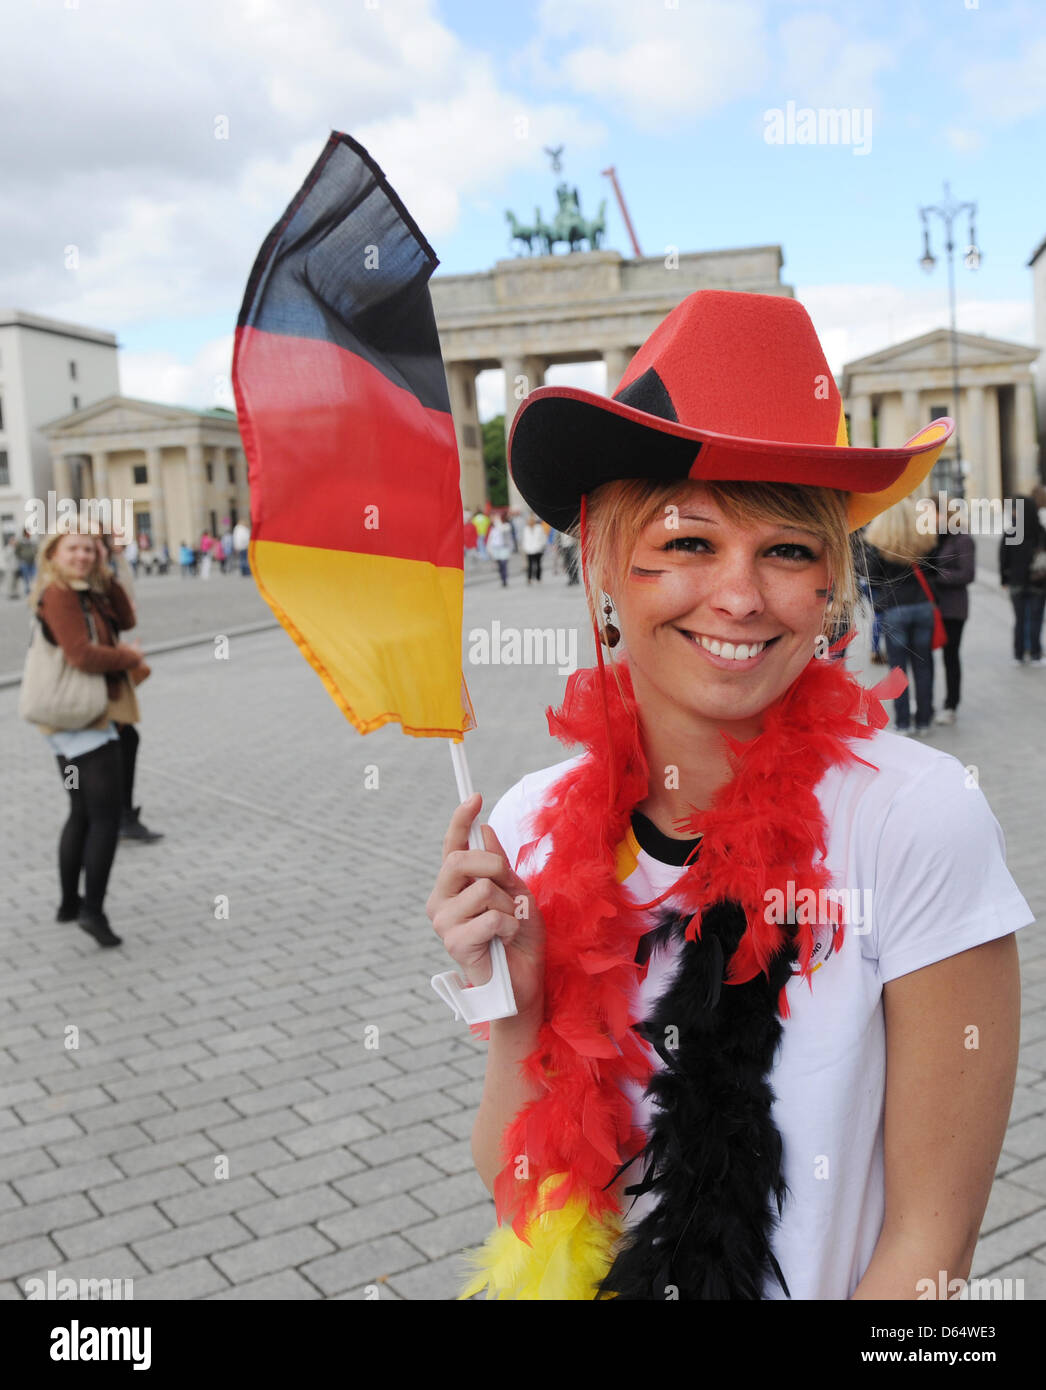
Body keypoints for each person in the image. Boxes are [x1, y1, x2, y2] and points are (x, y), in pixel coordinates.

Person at [426, 290, 1031, 1301]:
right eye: (688, 542)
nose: (741, 596)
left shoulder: (912, 820)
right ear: (604, 566)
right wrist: (525, 1011)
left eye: (786, 550)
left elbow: (931, 1254)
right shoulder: (530, 825)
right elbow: (516, 1186)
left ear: (829, 583)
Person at [26, 527, 147, 946]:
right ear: (53, 553)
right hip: (82, 719)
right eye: (72, 548)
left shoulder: (86, 589)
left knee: (80, 809)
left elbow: (127, 618)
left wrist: (107, 567)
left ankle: (68, 903)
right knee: (105, 817)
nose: (81, 555)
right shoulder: (59, 595)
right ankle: (93, 910)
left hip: (75, 720)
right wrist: (128, 657)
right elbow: (80, 654)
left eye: (88, 549)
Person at [862, 498, 939, 735]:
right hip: (922, 606)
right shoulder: (925, 538)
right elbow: (934, 570)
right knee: (924, 665)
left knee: (898, 668)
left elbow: (871, 576)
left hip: (895, 609)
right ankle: (924, 720)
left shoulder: (880, 542)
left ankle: (903, 722)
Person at [927, 497, 976, 723]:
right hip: (933, 606)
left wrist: (935, 577)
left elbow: (967, 574)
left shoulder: (962, 539)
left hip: (953, 607)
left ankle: (951, 704)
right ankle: (926, 703)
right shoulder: (934, 538)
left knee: (950, 656)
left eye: (932, 514)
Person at [999, 493, 1046, 666]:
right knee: (1035, 619)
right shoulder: (1039, 531)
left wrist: (1004, 579)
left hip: (1016, 582)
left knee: (1019, 620)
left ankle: (1018, 654)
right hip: (1038, 582)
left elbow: (1003, 557)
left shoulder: (1011, 531)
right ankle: (1035, 654)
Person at [486, 512, 512, 587]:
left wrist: (498, 522)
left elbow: (503, 530)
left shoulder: (506, 526)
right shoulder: (492, 529)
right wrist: (489, 548)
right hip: (496, 549)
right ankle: (502, 577)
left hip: (504, 548)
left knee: (504, 564)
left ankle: (505, 579)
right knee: (500, 566)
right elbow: (490, 539)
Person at [521, 513, 546, 584]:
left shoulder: (539, 527)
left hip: (538, 549)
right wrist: (525, 548)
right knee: (530, 565)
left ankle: (538, 577)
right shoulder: (526, 529)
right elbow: (524, 539)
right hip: (529, 549)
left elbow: (543, 537)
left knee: (538, 564)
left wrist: (542, 545)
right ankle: (529, 578)